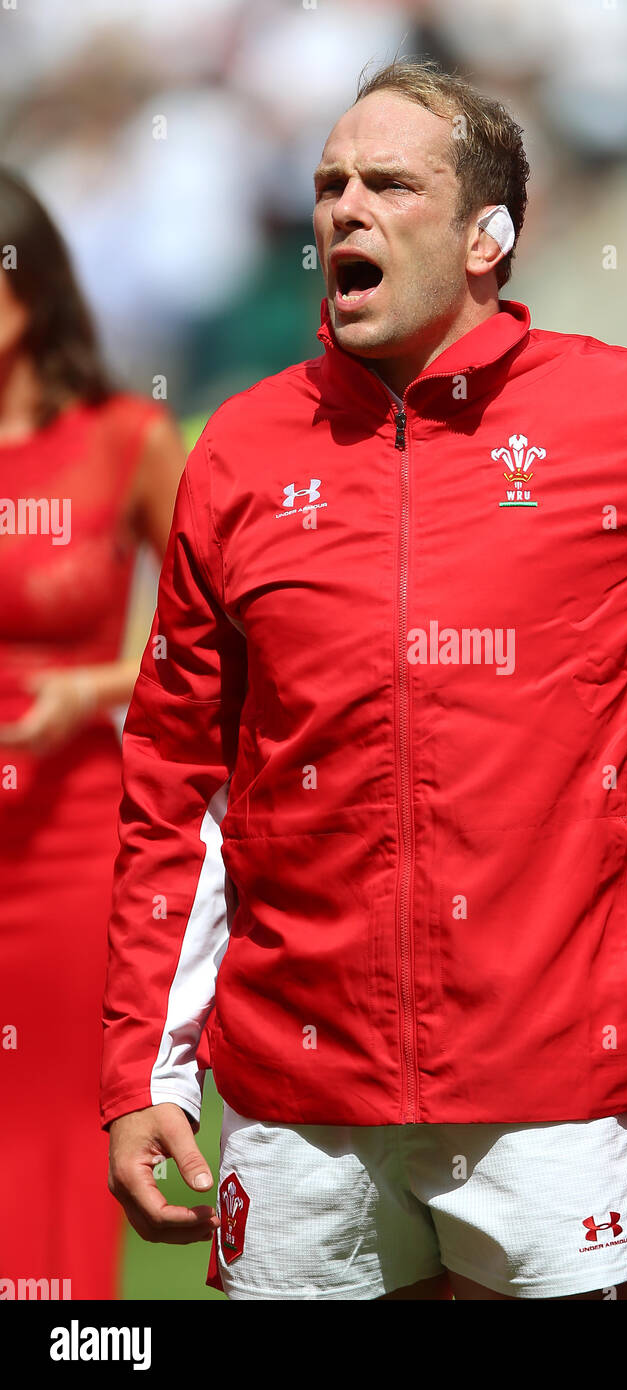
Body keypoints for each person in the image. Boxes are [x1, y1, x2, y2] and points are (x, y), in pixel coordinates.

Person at [102, 59, 627, 1302]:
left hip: (552, 1076)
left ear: (490, 236)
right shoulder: (238, 452)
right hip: (297, 1090)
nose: (342, 211)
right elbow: (177, 780)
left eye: (386, 183)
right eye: (328, 185)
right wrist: (147, 1075)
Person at [0, 167, 187, 1299]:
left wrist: (89, 687)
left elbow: (208, 632)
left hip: (68, 843)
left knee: (60, 1131)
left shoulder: (124, 437)